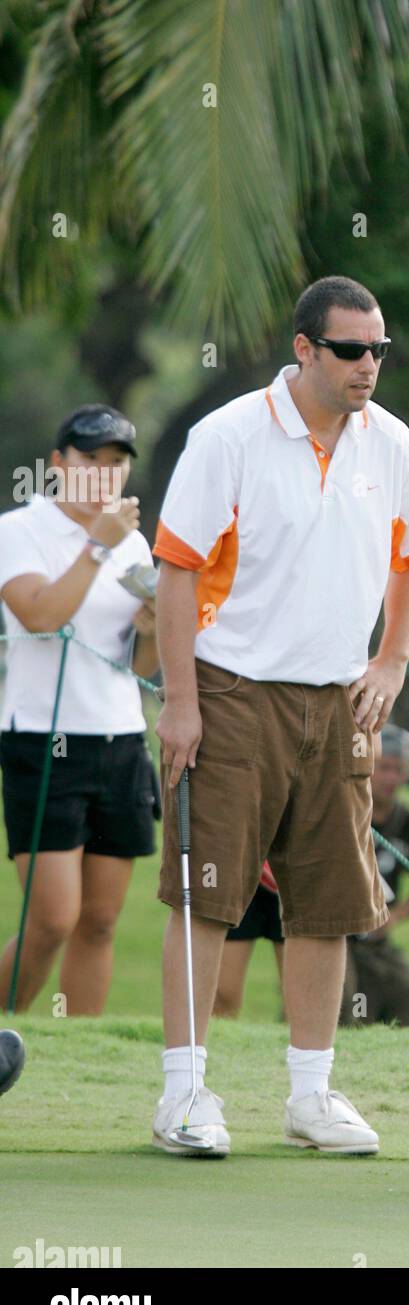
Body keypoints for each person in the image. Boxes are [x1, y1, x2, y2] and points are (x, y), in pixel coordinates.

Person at [151, 274, 409, 1157]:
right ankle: (184, 1095)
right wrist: (184, 706)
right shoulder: (228, 435)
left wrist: (390, 659)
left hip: (339, 697)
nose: (369, 366)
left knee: (327, 903)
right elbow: (175, 571)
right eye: (352, 350)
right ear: (305, 350)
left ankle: (311, 1096)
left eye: (379, 349)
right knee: (207, 897)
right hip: (232, 691)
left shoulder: (390, 444)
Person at [0, 406, 160, 1014]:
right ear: (59, 464)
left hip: (119, 741)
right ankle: (6, 1040)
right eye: (90, 459)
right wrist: (98, 545)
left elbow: (135, 669)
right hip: (43, 740)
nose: (103, 472)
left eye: (116, 462)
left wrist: (149, 630)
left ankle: (80, 1049)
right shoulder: (21, 530)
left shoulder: (134, 543)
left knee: (98, 921)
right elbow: (40, 616)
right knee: (52, 920)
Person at [341, 724, 409, 1027]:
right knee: (345, 1009)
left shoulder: (408, 821)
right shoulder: (346, 810)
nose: (391, 778)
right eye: (384, 768)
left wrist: (394, 917)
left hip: (377, 941)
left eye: (400, 769)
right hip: (339, 938)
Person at [213, 860, 286, 1020]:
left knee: (298, 995)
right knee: (222, 994)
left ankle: (299, 1044)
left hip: (296, 871)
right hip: (239, 871)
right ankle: (218, 1043)